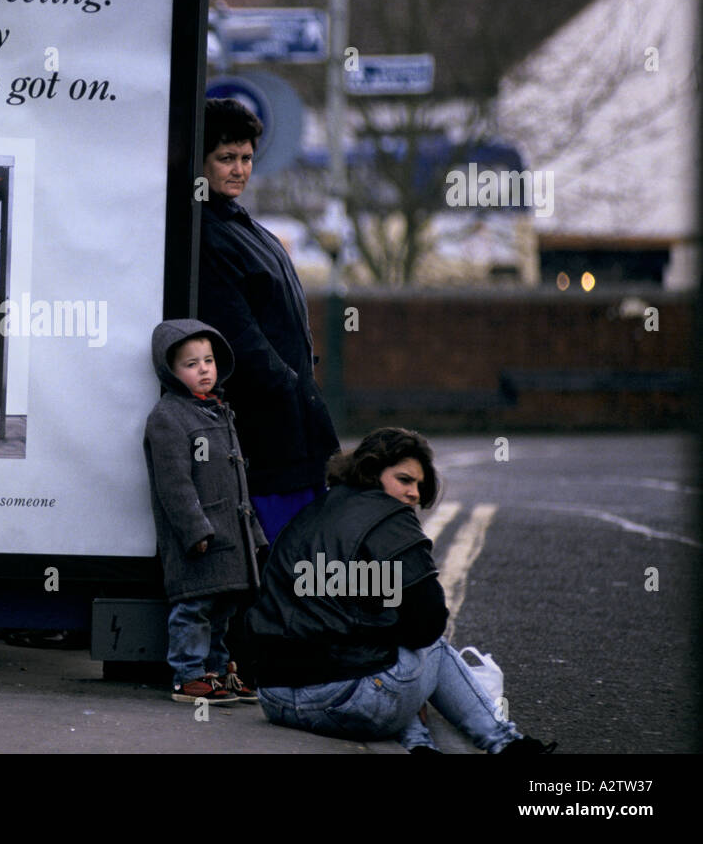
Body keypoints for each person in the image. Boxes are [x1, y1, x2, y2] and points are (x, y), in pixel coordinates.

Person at [246, 427, 557, 753]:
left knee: (380, 653)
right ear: (371, 472)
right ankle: (506, 744)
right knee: (429, 647)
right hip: (347, 703)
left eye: (419, 485)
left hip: (275, 698)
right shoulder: (390, 518)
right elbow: (429, 622)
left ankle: (419, 743)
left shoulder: (311, 515)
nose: (414, 494)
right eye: (405, 480)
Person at [197, 98, 339, 546]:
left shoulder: (241, 224)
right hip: (266, 435)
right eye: (225, 159)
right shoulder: (205, 231)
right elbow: (238, 337)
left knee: (305, 552)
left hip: (292, 426)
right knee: (284, 557)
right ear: (199, 162)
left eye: (246, 159)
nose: (239, 169)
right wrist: (289, 384)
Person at [144, 319, 265, 704]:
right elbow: (174, 484)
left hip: (231, 536)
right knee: (193, 606)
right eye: (191, 364)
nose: (204, 370)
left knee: (221, 609)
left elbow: (238, 481)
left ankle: (216, 673)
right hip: (201, 538)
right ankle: (188, 676)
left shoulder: (219, 412)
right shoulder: (168, 416)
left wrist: (255, 535)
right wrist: (195, 530)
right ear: (171, 371)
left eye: (209, 361)